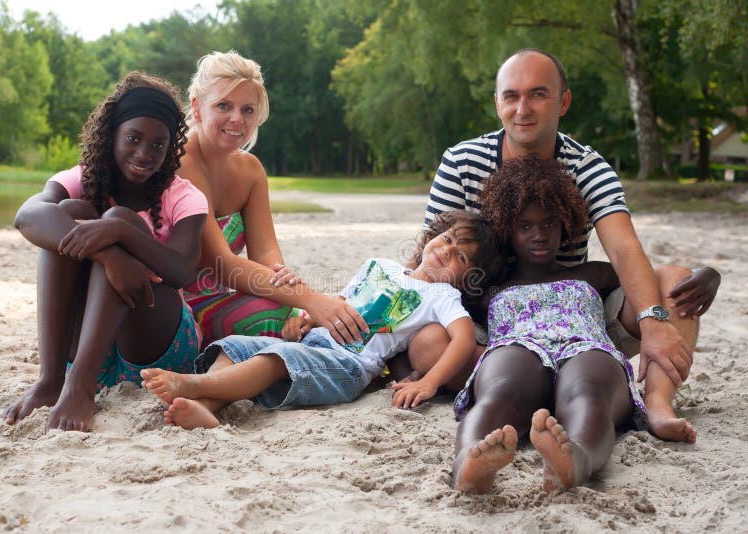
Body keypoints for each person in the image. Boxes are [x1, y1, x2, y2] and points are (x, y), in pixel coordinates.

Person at [408, 48, 720, 442]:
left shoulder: (588, 168)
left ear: (564, 101)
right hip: (487, 324)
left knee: (676, 282)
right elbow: (429, 255)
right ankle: (536, 388)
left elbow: (623, 249)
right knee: (428, 345)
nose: (523, 109)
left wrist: (652, 321)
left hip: (575, 316)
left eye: (538, 94)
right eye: (511, 96)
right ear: (497, 103)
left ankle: (657, 403)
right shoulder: (462, 163)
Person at [139, 211, 506, 430]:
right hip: (314, 343)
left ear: (469, 280)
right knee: (239, 347)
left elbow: (460, 340)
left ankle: (192, 384)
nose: (445, 251)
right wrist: (306, 319)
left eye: (460, 257)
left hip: (348, 366)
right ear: (432, 236)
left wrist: (428, 383)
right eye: (446, 239)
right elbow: (340, 304)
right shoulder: (382, 265)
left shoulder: (443, 296)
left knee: (275, 361)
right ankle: (207, 405)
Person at [4, 72, 208, 432]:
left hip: (154, 347)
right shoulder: (83, 178)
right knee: (70, 212)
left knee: (119, 218)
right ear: (112, 134)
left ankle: (80, 386)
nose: (145, 154)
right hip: (85, 346)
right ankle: (52, 378)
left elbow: (183, 270)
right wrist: (111, 255)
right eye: (133, 138)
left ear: (171, 147)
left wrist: (118, 231)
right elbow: (28, 216)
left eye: (158, 145)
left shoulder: (184, 196)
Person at [453, 155, 647, 493]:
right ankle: (468, 464)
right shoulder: (488, 288)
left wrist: (708, 276)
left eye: (549, 224)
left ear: (566, 225)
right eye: (525, 226)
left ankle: (576, 460)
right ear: (506, 230)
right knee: (501, 391)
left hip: (584, 345)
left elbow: (648, 283)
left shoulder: (596, 273)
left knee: (588, 391)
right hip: (518, 346)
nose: (539, 235)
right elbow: (431, 300)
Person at [180, 50, 361, 348]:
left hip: (225, 296)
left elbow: (266, 257)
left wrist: (289, 285)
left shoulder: (251, 171)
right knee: (284, 316)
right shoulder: (183, 161)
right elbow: (223, 264)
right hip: (179, 304)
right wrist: (312, 299)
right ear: (198, 108)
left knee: (297, 318)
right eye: (224, 105)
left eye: (248, 110)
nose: (237, 119)